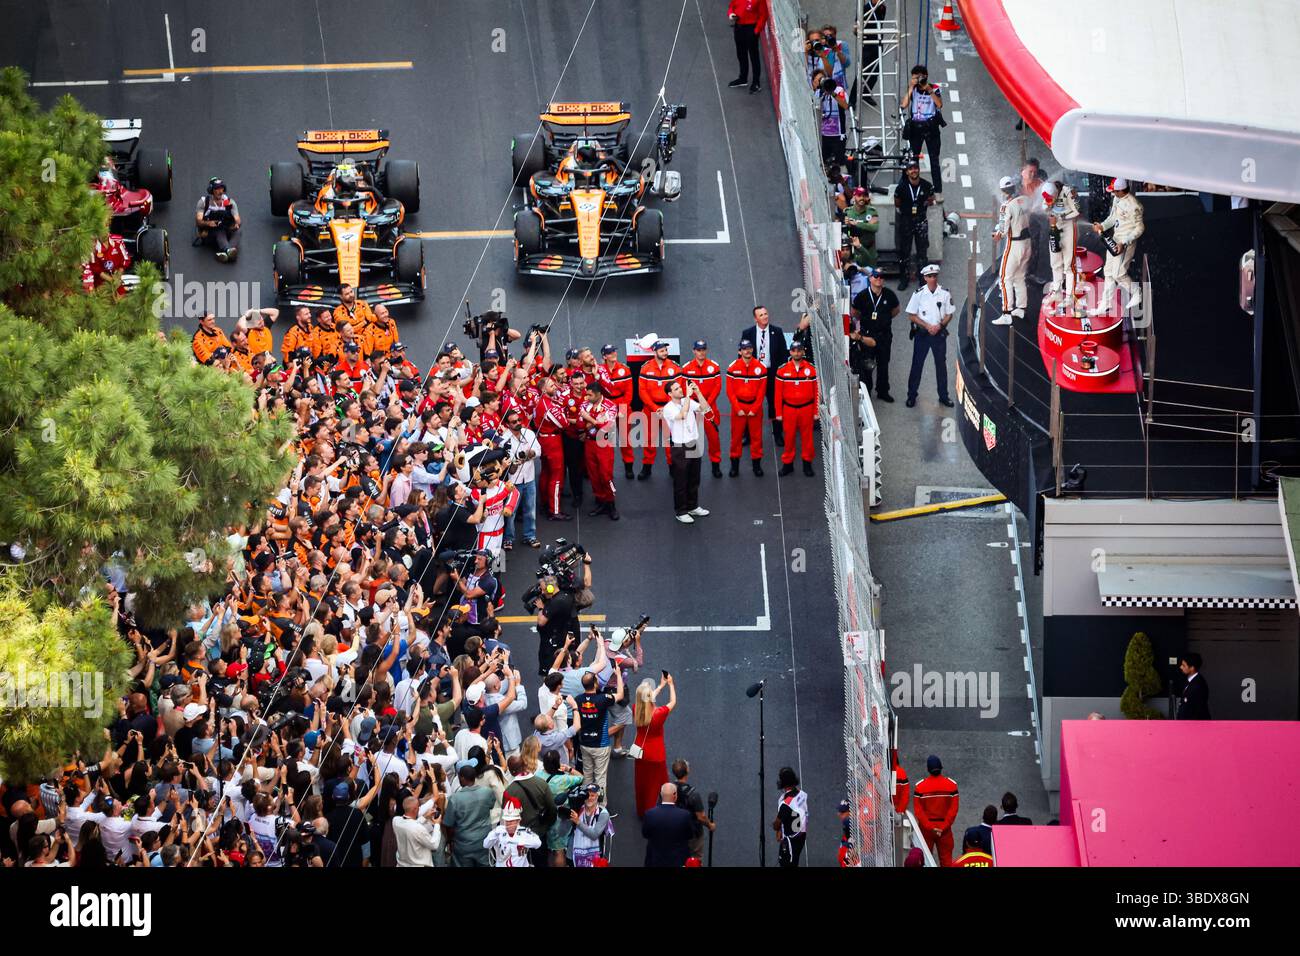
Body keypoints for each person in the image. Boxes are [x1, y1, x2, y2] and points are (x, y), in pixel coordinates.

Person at [1089, 178, 1145, 317]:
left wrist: (1124, 242)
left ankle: (1137, 293)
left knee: (1119, 274)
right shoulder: (1117, 199)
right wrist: (1102, 225)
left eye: (1114, 191)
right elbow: (1113, 218)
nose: (1112, 193)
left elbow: (1140, 227)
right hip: (1115, 240)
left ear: (1121, 190)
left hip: (1125, 243)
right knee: (1108, 272)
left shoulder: (1134, 205)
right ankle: (1105, 305)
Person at [904, 264, 956, 408]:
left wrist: (939, 326)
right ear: (925, 278)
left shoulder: (945, 293)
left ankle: (943, 396)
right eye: (929, 276)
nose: (932, 279)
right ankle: (911, 395)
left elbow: (949, 313)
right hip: (923, 335)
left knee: (941, 366)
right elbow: (912, 315)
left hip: (938, 335)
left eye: (934, 276)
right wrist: (927, 326)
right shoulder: (918, 294)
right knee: (917, 365)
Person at [663, 378, 712, 523]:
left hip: (694, 443)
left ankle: (693, 506)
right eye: (676, 389)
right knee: (681, 480)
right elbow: (682, 415)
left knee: (694, 477)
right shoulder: (668, 408)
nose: (680, 390)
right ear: (670, 394)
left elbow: (705, 408)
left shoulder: (687, 401)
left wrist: (698, 392)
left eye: (680, 387)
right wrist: (689, 397)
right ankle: (681, 511)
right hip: (680, 446)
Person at [740, 306, 789, 446]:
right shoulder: (748, 333)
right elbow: (741, 354)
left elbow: (783, 355)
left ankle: (778, 433)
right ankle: (747, 435)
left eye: (766, 314)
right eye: (761, 315)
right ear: (756, 318)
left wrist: (780, 373)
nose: (765, 317)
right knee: (750, 405)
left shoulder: (777, 332)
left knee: (774, 404)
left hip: (772, 374)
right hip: (754, 375)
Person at [850, 266, 899, 402]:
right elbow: (855, 312)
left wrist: (884, 320)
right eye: (876, 276)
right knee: (866, 365)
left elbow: (896, 310)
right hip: (867, 335)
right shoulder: (863, 296)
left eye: (881, 277)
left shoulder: (889, 295)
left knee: (884, 364)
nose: (878, 279)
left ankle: (883, 391)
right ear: (870, 278)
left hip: (884, 336)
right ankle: (867, 392)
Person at [576, 665, 623, 800]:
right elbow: (620, 695)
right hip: (601, 745)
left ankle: (586, 804)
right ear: (595, 683)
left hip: (584, 744)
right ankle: (601, 807)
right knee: (600, 777)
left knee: (587, 776)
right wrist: (618, 674)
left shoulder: (578, 699)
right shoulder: (603, 699)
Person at [635, 340, 681, 480]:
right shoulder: (645, 368)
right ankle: (647, 467)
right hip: (650, 409)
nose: (665, 353)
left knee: (670, 441)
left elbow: (679, 390)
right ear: (654, 352)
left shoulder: (675, 368)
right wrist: (655, 408)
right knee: (649, 440)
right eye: (662, 351)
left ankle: (672, 467)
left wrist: (667, 409)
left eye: (666, 350)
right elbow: (642, 392)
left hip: (669, 409)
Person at [632, 674, 676, 817]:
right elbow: (673, 702)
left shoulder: (635, 709)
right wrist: (670, 684)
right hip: (656, 753)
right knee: (657, 784)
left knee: (643, 783)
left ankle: (642, 810)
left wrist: (660, 687)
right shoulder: (658, 714)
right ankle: (660, 810)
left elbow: (646, 700)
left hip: (641, 752)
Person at [991, 175, 1032, 325]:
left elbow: (1002, 230)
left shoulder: (1006, 206)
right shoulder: (1025, 200)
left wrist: (997, 236)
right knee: (1020, 277)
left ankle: (1006, 313)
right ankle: (1021, 308)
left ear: (1003, 190)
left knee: (1004, 278)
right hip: (1028, 243)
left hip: (1014, 244)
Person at [681, 340, 724, 478]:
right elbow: (683, 389)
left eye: (704, 349)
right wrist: (695, 405)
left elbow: (717, 387)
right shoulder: (686, 368)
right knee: (691, 438)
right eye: (699, 350)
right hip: (693, 409)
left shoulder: (714, 367)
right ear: (694, 351)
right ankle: (690, 466)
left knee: (714, 438)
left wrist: (705, 404)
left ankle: (715, 464)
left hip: (709, 408)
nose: (701, 352)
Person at [774, 340, 818, 477]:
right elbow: (777, 394)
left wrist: (816, 411)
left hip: (807, 408)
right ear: (790, 352)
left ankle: (807, 464)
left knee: (807, 438)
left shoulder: (811, 370)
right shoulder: (782, 370)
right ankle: (788, 465)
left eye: (799, 350)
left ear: (803, 352)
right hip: (789, 409)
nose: (797, 353)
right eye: (794, 350)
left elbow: (817, 392)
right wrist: (778, 413)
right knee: (789, 437)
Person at [578, 379, 619, 519]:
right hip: (589, 443)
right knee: (593, 475)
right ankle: (600, 502)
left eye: (590, 395)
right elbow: (579, 422)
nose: (587, 397)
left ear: (598, 394)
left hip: (604, 443)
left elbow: (607, 425)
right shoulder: (585, 403)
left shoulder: (610, 406)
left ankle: (611, 503)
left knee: (606, 475)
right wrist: (595, 422)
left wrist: (591, 421)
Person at [902, 64, 945, 199]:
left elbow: (939, 104)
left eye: (920, 78)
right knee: (913, 158)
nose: (918, 80)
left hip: (931, 127)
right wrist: (910, 87)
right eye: (915, 78)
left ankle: (937, 190)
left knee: (934, 160)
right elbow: (903, 105)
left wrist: (929, 89)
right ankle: (911, 185)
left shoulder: (935, 88)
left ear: (925, 76)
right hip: (916, 127)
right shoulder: (913, 89)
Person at [725, 338, 767, 475]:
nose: (747, 351)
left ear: (752, 349)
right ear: (739, 351)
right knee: (736, 438)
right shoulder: (732, 368)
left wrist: (754, 409)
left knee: (757, 437)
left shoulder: (761, 368)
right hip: (739, 408)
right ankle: (734, 467)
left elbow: (762, 392)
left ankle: (757, 466)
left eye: (749, 348)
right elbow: (730, 392)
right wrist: (738, 409)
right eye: (744, 348)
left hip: (755, 408)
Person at [442, 762, 496, 867]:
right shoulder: (487, 792)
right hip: (484, 841)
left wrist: (450, 841)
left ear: (462, 778)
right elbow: (491, 805)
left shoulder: (454, 799)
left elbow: (449, 824)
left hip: (463, 844)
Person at [500, 408, 540, 548]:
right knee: (510, 511)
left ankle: (530, 536)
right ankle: (508, 538)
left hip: (529, 478)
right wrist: (521, 456)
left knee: (530, 509)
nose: (518, 423)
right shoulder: (504, 440)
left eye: (519, 420)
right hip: (513, 481)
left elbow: (538, 450)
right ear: (507, 424)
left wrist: (531, 453)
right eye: (514, 422)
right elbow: (507, 459)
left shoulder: (528, 433)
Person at [1042, 180, 1083, 316]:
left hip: (1068, 227)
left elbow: (1077, 211)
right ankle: (1057, 292)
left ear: (1056, 193)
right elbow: (1044, 206)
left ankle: (1070, 297)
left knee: (1068, 264)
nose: (1049, 201)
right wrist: (1048, 207)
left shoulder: (1067, 192)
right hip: (1055, 227)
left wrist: (1061, 215)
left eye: (1051, 199)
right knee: (1055, 262)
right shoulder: (1048, 191)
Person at [894, 159, 935, 291]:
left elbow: (931, 199)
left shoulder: (927, 185)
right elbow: (897, 202)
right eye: (910, 169)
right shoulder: (901, 187)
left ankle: (922, 279)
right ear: (907, 172)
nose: (913, 171)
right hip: (906, 221)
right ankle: (904, 279)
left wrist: (922, 206)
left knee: (922, 252)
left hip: (921, 221)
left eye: (915, 168)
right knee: (904, 251)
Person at [596, 343, 636, 480]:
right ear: (604, 356)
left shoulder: (624, 369)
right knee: (608, 439)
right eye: (610, 352)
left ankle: (629, 466)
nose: (614, 354)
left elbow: (629, 391)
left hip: (623, 404)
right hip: (607, 405)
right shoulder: (600, 370)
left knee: (625, 438)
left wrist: (623, 408)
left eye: (614, 351)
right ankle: (608, 469)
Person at [913, 754, 959, 866]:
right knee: (946, 861)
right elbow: (953, 810)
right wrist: (943, 827)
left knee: (924, 861)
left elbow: (919, 812)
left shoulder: (920, 787)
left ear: (928, 769)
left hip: (926, 831)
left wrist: (930, 827)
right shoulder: (952, 786)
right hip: (945, 830)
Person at [642, 782, 696, 867]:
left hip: (656, 859)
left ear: (660, 795)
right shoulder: (685, 815)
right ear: (675, 795)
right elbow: (689, 835)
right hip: (678, 860)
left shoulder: (650, 814)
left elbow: (645, 834)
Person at [672, 759, 714, 861]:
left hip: (675, 830)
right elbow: (701, 817)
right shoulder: (693, 795)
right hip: (692, 833)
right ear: (687, 771)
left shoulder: (669, 790)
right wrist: (710, 825)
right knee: (695, 857)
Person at [483, 796, 542, 867]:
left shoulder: (524, 832)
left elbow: (538, 844)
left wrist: (518, 841)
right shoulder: (499, 832)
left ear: (518, 821)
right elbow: (486, 845)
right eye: (507, 821)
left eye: (512, 821)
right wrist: (494, 833)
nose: (509, 823)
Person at [194, 177, 241, 262]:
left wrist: (235, 224)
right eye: (217, 188)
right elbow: (198, 221)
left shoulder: (229, 202)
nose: (220, 191)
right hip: (208, 233)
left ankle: (226, 252)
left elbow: (238, 219)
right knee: (219, 231)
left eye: (221, 188)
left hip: (225, 228)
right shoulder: (204, 202)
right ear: (211, 190)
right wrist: (208, 223)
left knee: (238, 232)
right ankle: (229, 251)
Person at [727, 0, 767, 93]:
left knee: (754, 56)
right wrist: (731, 14)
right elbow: (732, 6)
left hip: (751, 28)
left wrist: (756, 31)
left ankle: (756, 83)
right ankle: (743, 78)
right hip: (739, 27)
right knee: (741, 54)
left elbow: (764, 15)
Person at [392, 793, 442, 867]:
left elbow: (409, 824)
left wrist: (424, 817)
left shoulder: (395, 821)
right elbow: (434, 845)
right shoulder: (418, 829)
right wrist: (437, 824)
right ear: (415, 809)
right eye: (419, 806)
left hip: (401, 864)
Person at [567, 783, 611, 866]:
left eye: (592, 795)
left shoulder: (603, 813)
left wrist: (578, 822)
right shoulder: (578, 808)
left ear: (598, 797)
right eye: (587, 795)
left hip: (594, 854)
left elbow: (594, 835)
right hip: (575, 850)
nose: (589, 798)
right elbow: (564, 832)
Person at [773, 766, 808, 867]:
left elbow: (776, 825)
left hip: (791, 841)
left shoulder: (784, 803)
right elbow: (794, 813)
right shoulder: (802, 794)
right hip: (801, 835)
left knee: (787, 863)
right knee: (795, 859)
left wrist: (778, 828)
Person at [816, 74, 850, 166]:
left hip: (838, 135)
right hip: (822, 135)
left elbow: (846, 105)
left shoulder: (839, 90)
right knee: (822, 163)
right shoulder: (819, 92)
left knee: (837, 164)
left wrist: (833, 93)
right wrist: (823, 93)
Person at [844, 187, 881, 269]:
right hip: (855, 252)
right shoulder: (848, 212)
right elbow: (845, 232)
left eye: (864, 196)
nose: (862, 198)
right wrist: (848, 226)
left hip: (869, 250)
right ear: (854, 196)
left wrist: (857, 224)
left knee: (872, 276)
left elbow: (875, 228)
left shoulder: (871, 211)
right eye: (859, 195)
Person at [1176, 652, 1211, 719]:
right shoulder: (1190, 680)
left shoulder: (1199, 685)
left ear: (1192, 668)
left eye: (1184, 665)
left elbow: (1197, 709)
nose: (1181, 667)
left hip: (1195, 725)